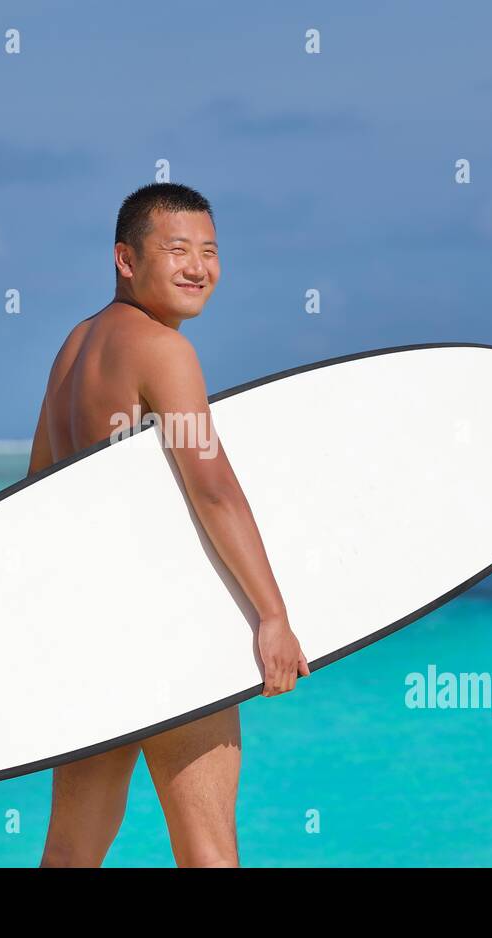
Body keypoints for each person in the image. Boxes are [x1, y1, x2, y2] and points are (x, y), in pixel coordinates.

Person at [28, 183, 310, 868]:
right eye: (177, 250)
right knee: (208, 851)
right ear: (126, 259)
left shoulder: (73, 349)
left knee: (69, 851)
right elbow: (212, 488)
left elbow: (34, 497)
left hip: (95, 634)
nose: (198, 267)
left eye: (210, 251)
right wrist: (272, 615)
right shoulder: (163, 350)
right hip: (166, 628)